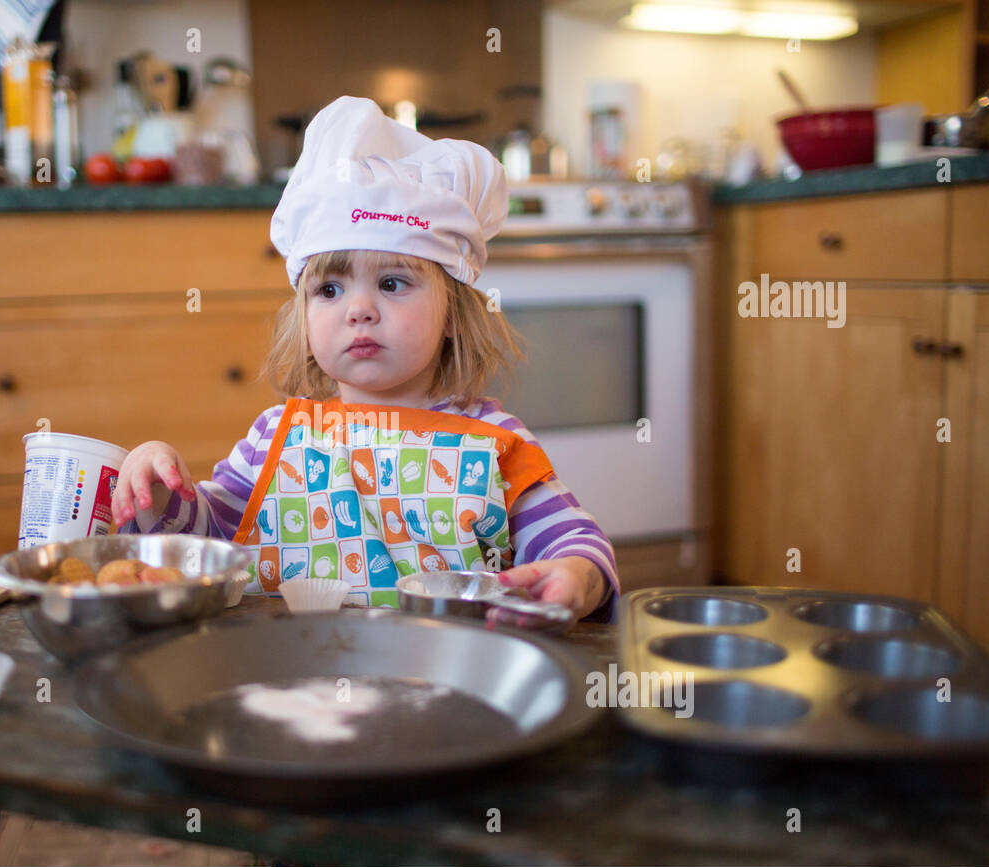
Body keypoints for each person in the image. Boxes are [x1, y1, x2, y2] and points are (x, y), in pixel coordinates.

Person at [111, 96, 618, 620]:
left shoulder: (497, 443)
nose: (359, 310)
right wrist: (156, 489)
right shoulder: (274, 438)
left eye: (393, 283)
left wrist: (580, 576)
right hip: (292, 683)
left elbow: (572, 541)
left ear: (454, 310)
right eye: (329, 290)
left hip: (447, 686)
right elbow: (204, 544)